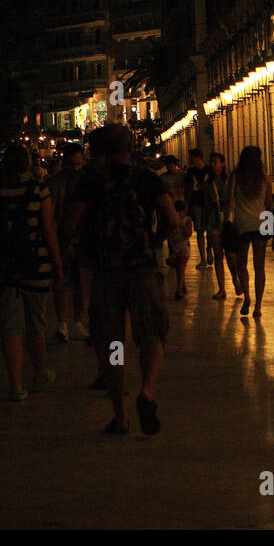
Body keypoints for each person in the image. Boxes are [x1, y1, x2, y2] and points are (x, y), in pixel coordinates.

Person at [64, 123, 176, 435]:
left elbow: (70, 223)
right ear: (130, 148)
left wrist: (80, 245)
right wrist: (154, 240)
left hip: (107, 271)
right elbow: (172, 219)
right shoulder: (146, 178)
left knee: (111, 341)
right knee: (152, 334)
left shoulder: (90, 181)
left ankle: (121, 416)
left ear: (99, 151)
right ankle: (147, 392)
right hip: (142, 268)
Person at [0, 144, 61, 402]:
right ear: (27, 163)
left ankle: (15, 385)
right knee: (36, 322)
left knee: (9, 327)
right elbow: (48, 229)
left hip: (2, 267)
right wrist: (58, 265)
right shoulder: (38, 190)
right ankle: (39, 373)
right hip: (35, 264)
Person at [223, 146, 273, 318]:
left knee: (242, 265)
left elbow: (228, 203)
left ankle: (247, 298)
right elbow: (268, 206)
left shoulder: (235, 177)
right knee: (259, 267)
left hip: (241, 225)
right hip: (261, 224)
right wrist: (271, 233)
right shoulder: (265, 179)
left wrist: (225, 223)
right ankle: (258, 306)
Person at [49, 142, 89, 342]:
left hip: (83, 239)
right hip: (61, 239)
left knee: (81, 283)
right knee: (60, 282)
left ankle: (77, 321)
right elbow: (51, 215)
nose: (75, 169)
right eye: (71, 164)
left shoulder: (88, 182)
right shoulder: (55, 184)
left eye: (78, 164)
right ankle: (62, 323)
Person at [202, 153, 229, 299]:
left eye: (216, 162)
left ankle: (236, 280)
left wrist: (267, 229)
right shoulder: (208, 182)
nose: (213, 164)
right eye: (211, 162)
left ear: (223, 164)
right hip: (213, 220)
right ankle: (222, 288)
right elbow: (206, 203)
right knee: (218, 254)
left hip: (227, 220)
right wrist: (204, 224)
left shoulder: (229, 180)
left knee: (231, 256)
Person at [184, 149, 213, 269]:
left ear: (197, 157)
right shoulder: (191, 171)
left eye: (192, 157)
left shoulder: (208, 170)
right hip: (197, 203)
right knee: (200, 231)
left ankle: (209, 249)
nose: (191, 159)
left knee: (210, 230)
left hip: (208, 203)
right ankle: (203, 258)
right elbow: (189, 189)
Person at [166, 200, 194, 300]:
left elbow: (189, 233)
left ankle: (179, 290)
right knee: (179, 269)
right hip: (174, 248)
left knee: (181, 267)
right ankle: (182, 286)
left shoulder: (187, 220)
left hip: (184, 248)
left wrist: (182, 225)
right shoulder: (172, 220)